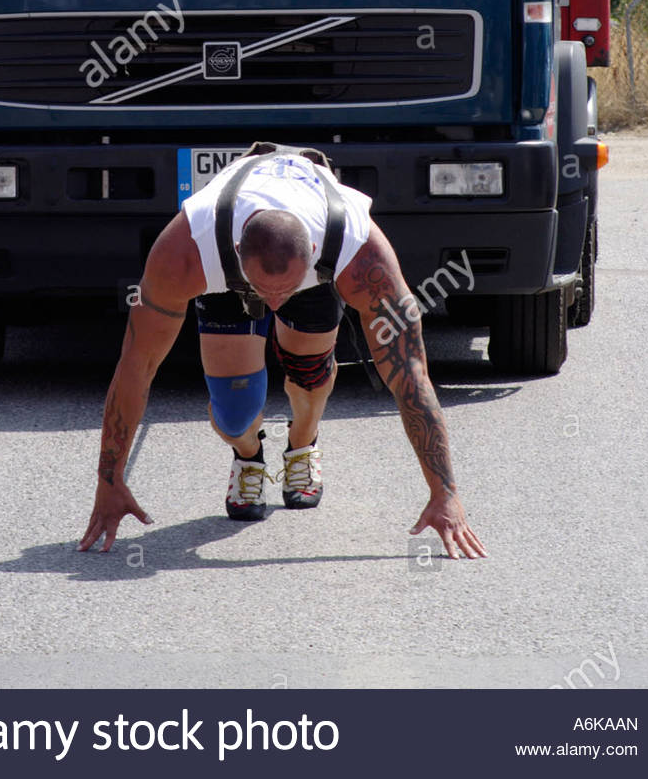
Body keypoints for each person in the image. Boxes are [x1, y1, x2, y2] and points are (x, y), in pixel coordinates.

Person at [79, 145, 486, 561]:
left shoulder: (359, 253)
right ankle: (248, 456)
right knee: (234, 413)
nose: (274, 304)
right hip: (229, 280)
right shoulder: (185, 252)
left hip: (311, 276)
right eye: (266, 291)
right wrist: (108, 482)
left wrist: (444, 494)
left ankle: (302, 443)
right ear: (237, 251)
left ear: (312, 252)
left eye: (283, 291)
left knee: (308, 375)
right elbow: (136, 365)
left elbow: (410, 376)